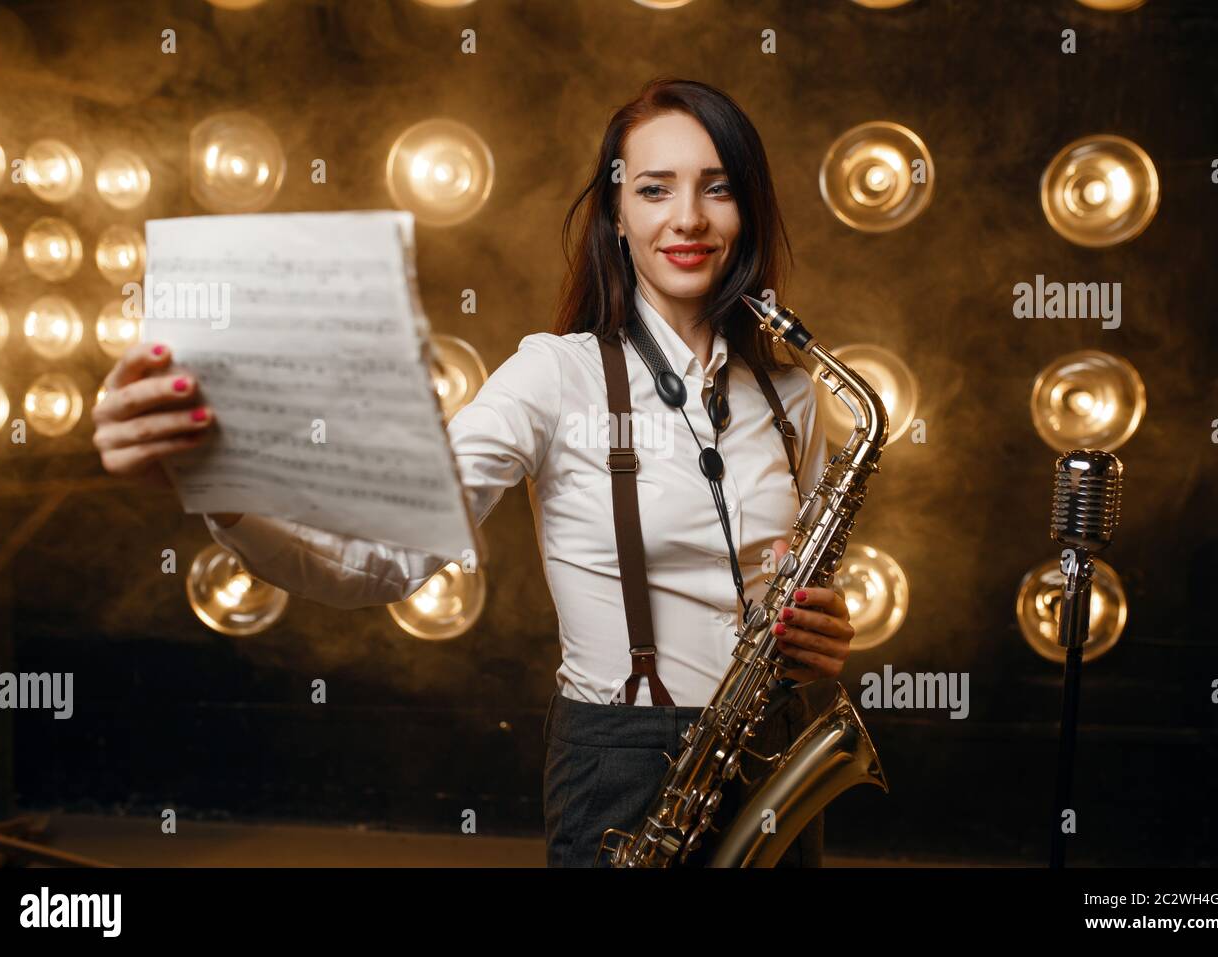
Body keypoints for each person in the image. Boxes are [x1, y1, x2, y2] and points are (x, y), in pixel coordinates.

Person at [92, 76, 856, 867]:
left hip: (775, 755)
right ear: (617, 216)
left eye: (718, 188)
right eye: (655, 189)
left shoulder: (792, 394)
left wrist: (824, 632)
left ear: (747, 211)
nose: (688, 217)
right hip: (629, 774)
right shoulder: (553, 374)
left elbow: (790, 588)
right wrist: (221, 483)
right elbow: (382, 558)